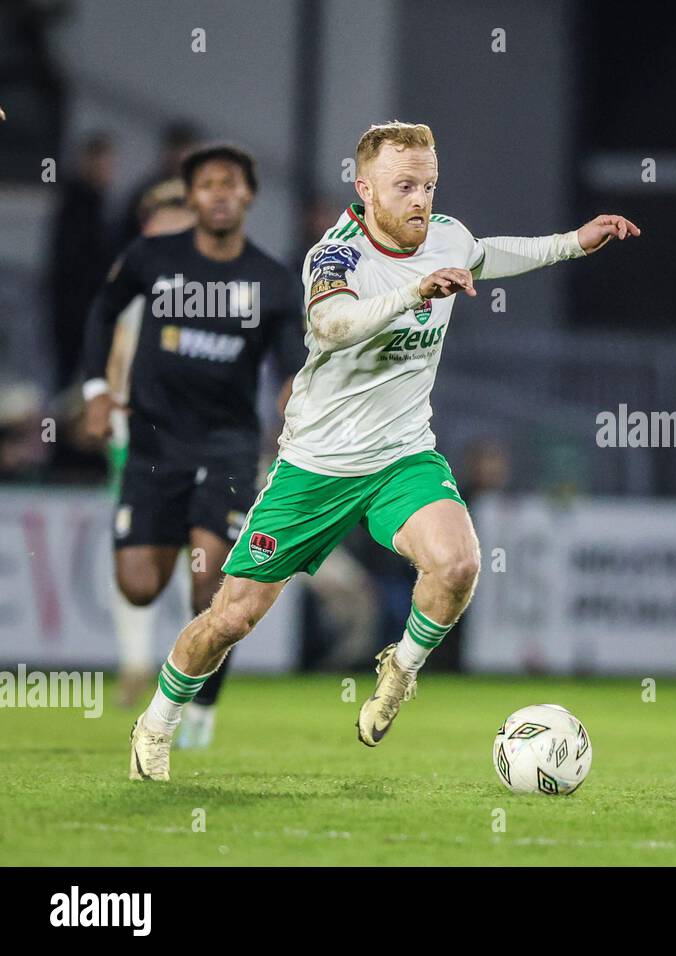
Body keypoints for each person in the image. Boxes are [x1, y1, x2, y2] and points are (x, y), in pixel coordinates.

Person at [126, 120, 640, 781]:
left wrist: (575, 242)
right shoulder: (335, 256)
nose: (421, 199)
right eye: (405, 186)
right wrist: (412, 294)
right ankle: (157, 724)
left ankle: (399, 670)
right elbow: (331, 323)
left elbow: (489, 254)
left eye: (429, 184)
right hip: (316, 469)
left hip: (401, 457)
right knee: (231, 620)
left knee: (457, 565)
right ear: (364, 187)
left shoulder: (446, 236)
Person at [80, 145, 305, 751]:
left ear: (249, 196)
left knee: (209, 587)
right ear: (193, 196)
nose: (220, 194)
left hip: (227, 447)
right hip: (154, 442)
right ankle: (173, 536)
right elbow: (103, 310)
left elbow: (292, 363)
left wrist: (292, 396)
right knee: (138, 586)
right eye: (207, 184)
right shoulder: (154, 257)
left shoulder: (274, 280)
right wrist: (98, 391)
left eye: (231, 184)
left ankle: (200, 706)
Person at [101, 179, 198, 709]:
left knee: (194, 556)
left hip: (194, 441)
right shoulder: (138, 280)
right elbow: (116, 351)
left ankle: (184, 665)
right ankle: (138, 661)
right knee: (140, 551)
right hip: (140, 442)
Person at [49, 132, 116, 393]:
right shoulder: (79, 204)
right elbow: (75, 262)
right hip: (76, 309)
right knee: (70, 376)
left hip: (81, 307)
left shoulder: (95, 202)